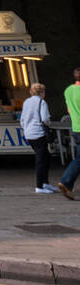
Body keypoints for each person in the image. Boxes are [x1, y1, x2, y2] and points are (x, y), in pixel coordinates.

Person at [19, 82, 57, 193]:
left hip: (29, 134)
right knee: (41, 160)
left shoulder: (26, 102)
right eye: (43, 91)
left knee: (46, 157)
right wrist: (48, 124)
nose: (44, 93)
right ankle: (39, 186)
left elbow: (22, 119)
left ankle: (45, 183)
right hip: (39, 133)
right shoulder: (42, 102)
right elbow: (45, 119)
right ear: (41, 92)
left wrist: (26, 129)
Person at [56, 68, 80, 200]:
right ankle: (65, 181)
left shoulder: (69, 90)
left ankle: (67, 185)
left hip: (76, 127)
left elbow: (69, 110)